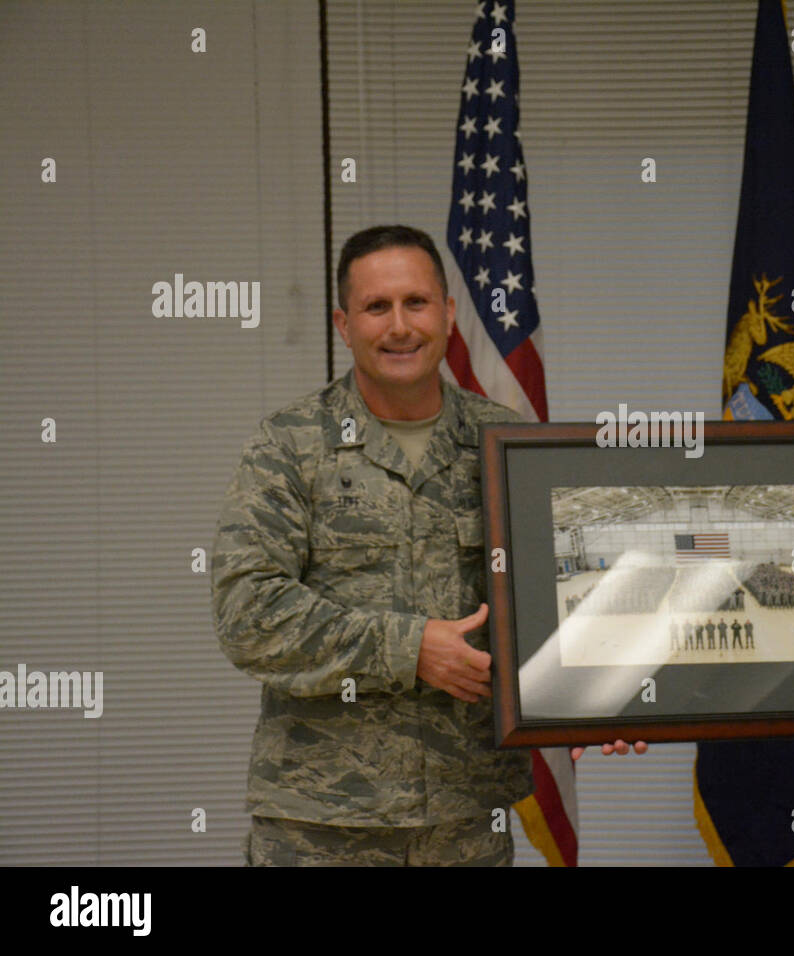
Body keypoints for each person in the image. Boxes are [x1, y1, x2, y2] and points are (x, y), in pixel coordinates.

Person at [213, 224, 638, 867]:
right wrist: (409, 649)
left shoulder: (509, 442)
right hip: (322, 825)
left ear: (446, 312)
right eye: (376, 307)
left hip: (468, 819)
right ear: (343, 324)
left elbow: (568, 593)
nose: (399, 326)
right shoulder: (289, 445)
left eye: (415, 302)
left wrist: (604, 694)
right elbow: (248, 616)